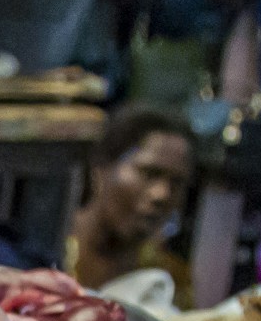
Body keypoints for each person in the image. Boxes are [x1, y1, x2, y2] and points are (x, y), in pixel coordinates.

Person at [64, 107, 196, 295]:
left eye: (177, 183)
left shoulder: (168, 279)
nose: (162, 194)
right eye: (149, 173)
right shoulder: (42, 255)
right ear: (100, 170)